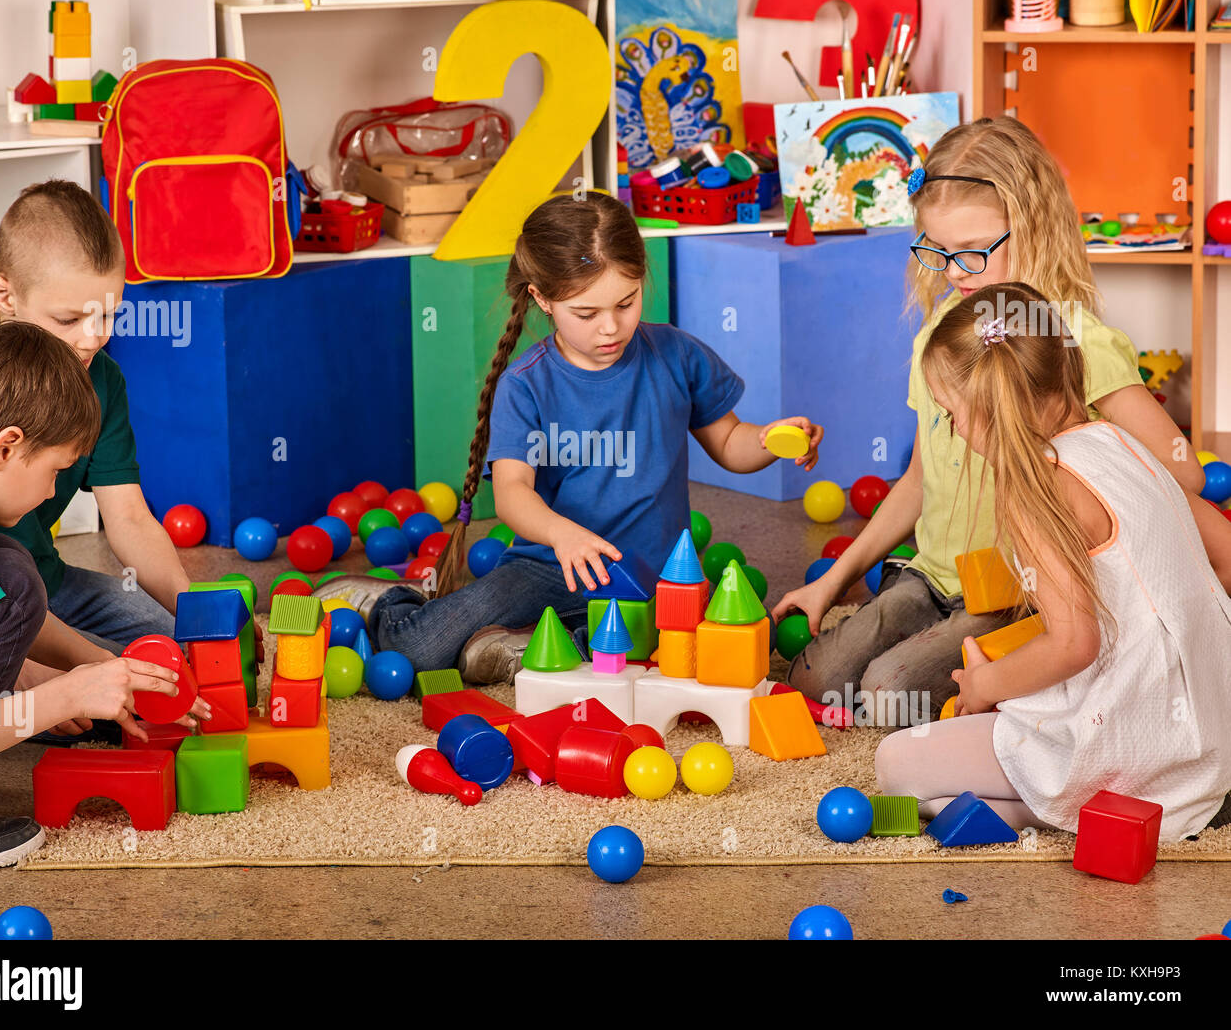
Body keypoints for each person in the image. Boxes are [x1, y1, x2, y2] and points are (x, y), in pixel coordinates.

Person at [773, 116, 1231, 727]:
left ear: (1034, 227)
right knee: (816, 675)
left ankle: (1019, 671)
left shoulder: (1072, 340)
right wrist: (834, 579)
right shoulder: (944, 336)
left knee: (887, 696)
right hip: (933, 574)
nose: (956, 271)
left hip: (1021, 591)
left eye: (972, 251)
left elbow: (1184, 475)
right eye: (937, 251)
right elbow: (916, 482)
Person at [321, 192, 822, 680]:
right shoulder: (526, 384)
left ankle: (530, 644)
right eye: (586, 314)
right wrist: (563, 535)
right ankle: (395, 602)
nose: (611, 328)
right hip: (549, 568)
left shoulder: (677, 355)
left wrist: (770, 439)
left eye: (626, 303)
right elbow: (513, 493)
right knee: (420, 648)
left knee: (651, 653)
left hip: (652, 579)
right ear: (542, 299)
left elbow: (730, 442)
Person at [874, 283, 1231, 839]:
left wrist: (986, 684)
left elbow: (1073, 644)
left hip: (1139, 744)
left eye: (953, 416)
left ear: (997, 407)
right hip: (1214, 731)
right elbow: (1226, 556)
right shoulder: (1126, 442)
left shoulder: (1037, 490)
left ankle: (1075, 808)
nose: (959, 433)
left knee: (896, 762)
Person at [0, 323, 204, 871]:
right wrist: (60, 700)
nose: (54, 492)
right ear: (5, 447)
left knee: (10, 570)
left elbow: (4, 602)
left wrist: (100, 665)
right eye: (54, 471)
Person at [0, 179, 191, 657]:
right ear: (4, 295)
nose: (92, 339)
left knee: (174, 640)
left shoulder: (102, 379)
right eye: (69, 320)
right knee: (113, 678)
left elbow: (130, 516)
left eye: (108, 315)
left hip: (49, 582)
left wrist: (195, 611)